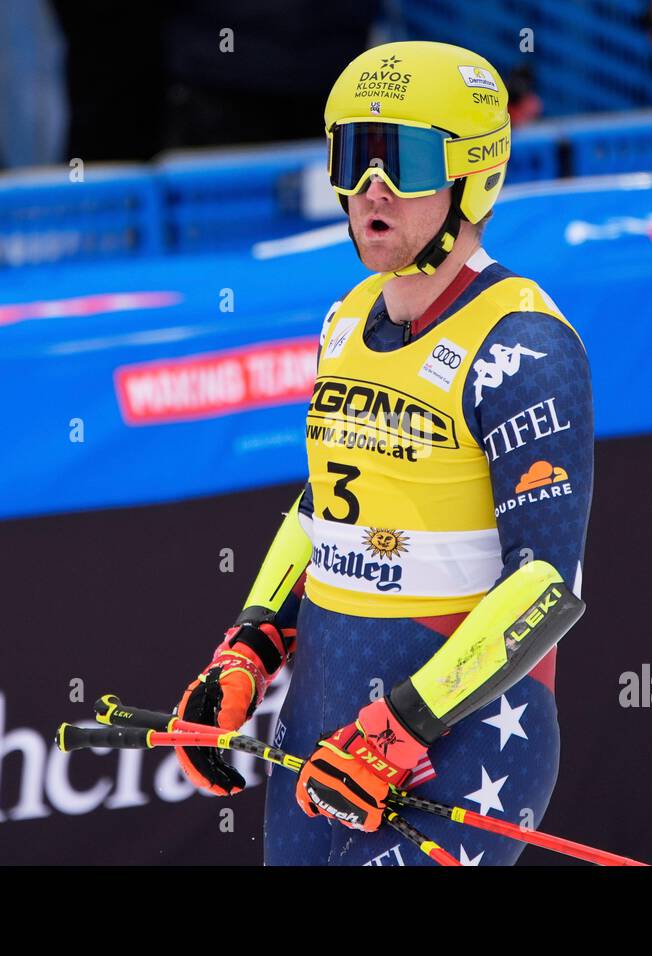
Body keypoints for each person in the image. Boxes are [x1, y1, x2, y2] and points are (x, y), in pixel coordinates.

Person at [172, 40, 595, 866]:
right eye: (352, 158)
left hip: (459, 744)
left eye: (402, 161)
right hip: (325, 723)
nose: (372, 190)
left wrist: (399, 727)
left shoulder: (525, 348)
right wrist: (248, 650)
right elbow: (325, 508)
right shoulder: (345, 321)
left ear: (474, 174)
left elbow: (545, 589)